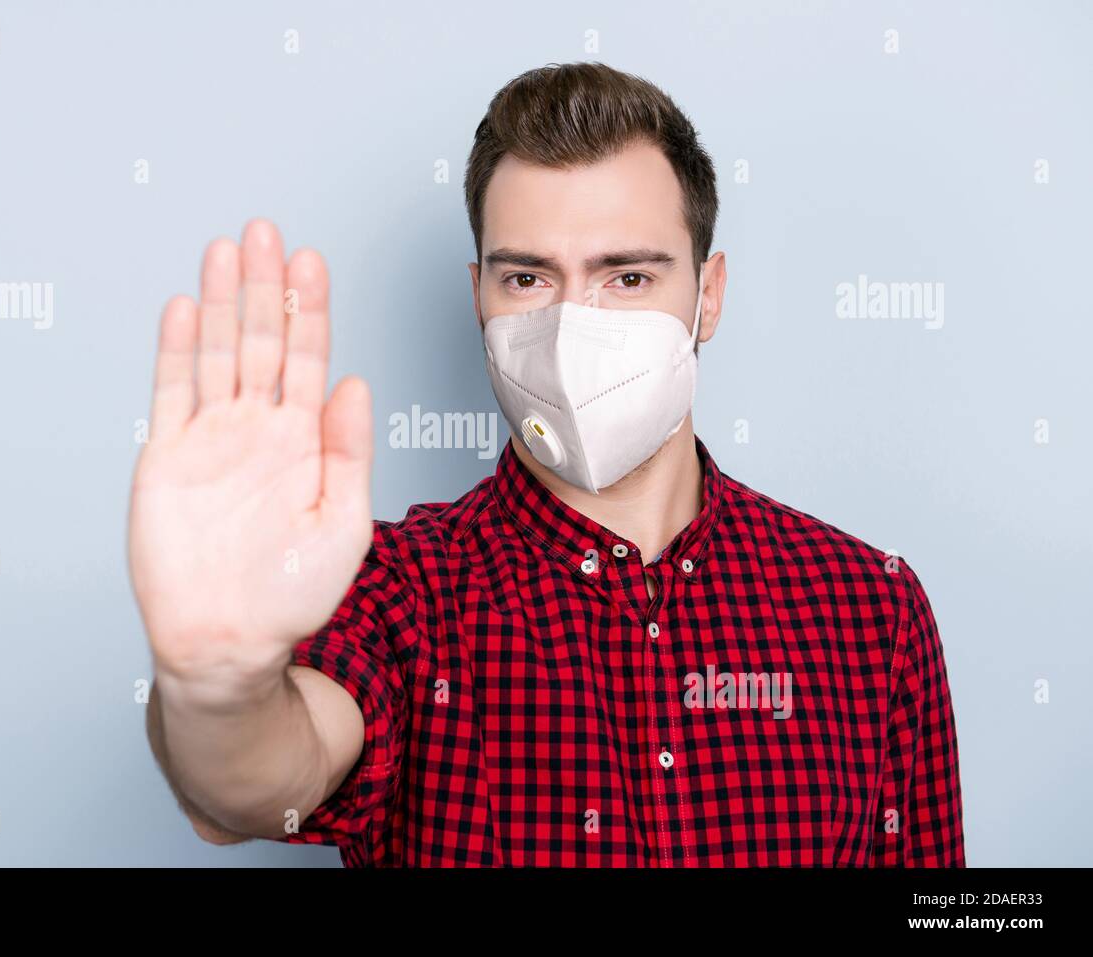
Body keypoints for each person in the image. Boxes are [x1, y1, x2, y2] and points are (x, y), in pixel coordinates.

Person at [129, 61, 965, 867]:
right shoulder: (397, 587)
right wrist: (219, 684)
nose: (572, 328)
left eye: (628, 277)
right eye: (528, 278)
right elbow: (259, 779)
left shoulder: (870, 605)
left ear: (708, 295)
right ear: (479, 296)